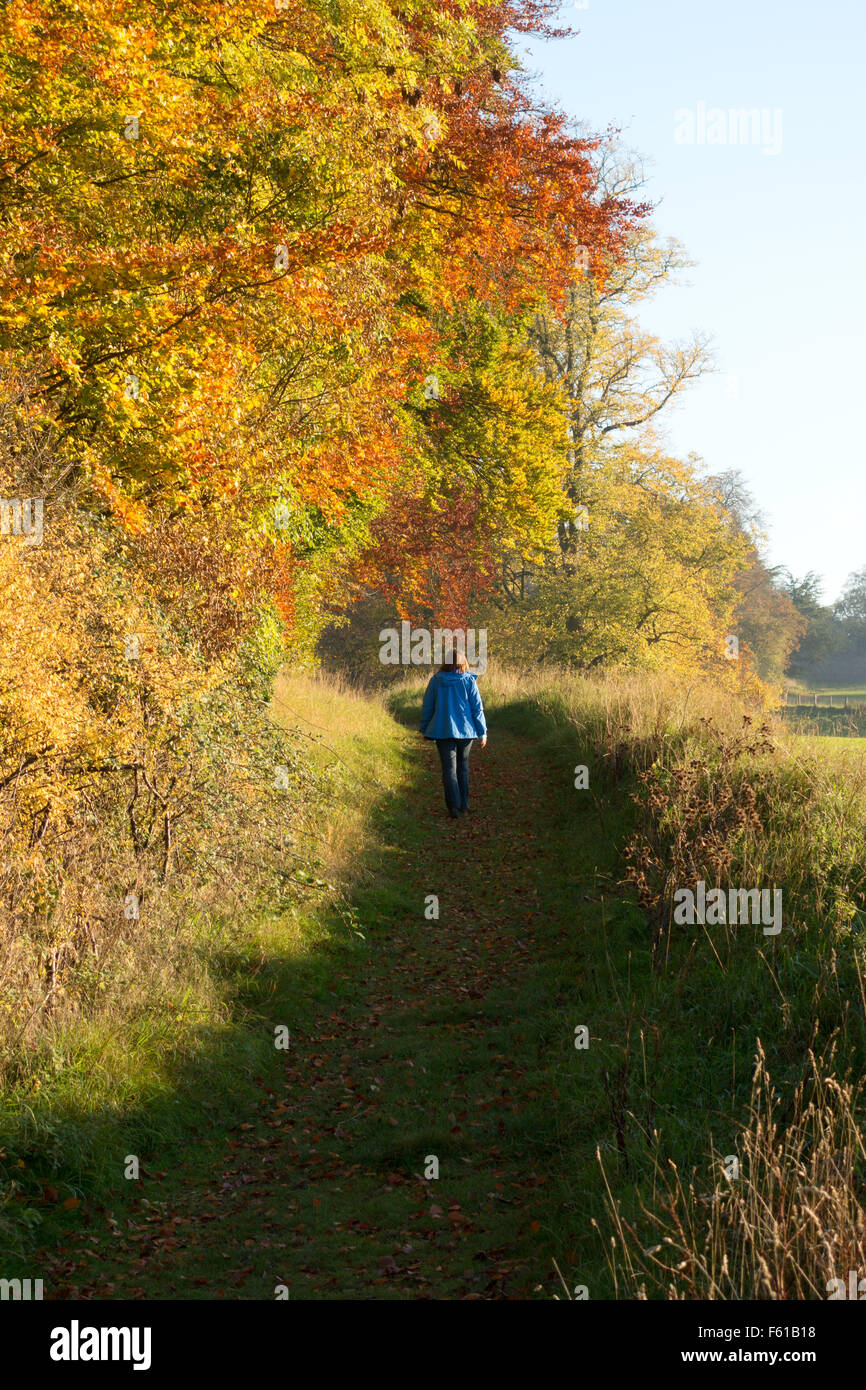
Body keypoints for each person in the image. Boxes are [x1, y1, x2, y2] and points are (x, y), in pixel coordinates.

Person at [419, 653, 487, 818]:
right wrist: (482, 731)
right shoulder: (469, 681)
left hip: (442, 731)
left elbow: (428, 706)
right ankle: (464, 805)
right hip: (466, 731)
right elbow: (477, 708)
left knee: (449, 769)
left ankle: (453, 807)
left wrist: (424, 728)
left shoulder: (436, 681)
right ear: (463, 662)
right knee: (463, 768)